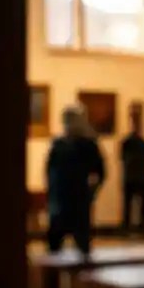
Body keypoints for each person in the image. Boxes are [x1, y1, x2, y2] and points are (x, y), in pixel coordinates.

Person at [45, 105, 104, 256]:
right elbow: (49, 170)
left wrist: (91, 192)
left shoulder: (88, 144)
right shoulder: (58, 144)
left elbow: (100, 172)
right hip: (60, 199)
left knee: (83, 246)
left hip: (79, 199)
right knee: (54, 246)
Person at [119, 102, 144, 236]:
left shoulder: (143, 143)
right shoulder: (127, 142)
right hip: (131, 175)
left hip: (139, 175)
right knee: (127, 204)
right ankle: (129, 227)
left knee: (143, 203)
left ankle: (142, 226)